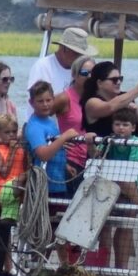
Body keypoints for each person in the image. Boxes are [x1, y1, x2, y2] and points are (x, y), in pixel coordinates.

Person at [24, 80, 96, 200]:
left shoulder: (50, 122)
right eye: (40, 101)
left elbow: (52, 146)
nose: (45, 104)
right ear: (31, 103)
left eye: (48, 100)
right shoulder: (34, 126)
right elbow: (43, 155)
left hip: (58, 181)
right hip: (44, 186)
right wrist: (64, 137)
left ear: (53, 99)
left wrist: (65, 165)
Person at [104, 106, 138, 267]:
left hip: (136, 179)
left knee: (125, 228)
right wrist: (92, 144)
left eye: (125, 125)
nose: (121, 128)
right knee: (105, 228)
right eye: (117, 124)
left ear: (133, 128)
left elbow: (132, 165)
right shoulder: (108, 140)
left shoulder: (136, 142)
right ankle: (102, 267)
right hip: (113, 179)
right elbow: (98, 156)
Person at [83, 61, 138, 138]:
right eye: (114, 80)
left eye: (120, 79)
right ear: (100, 83)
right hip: (102, 148)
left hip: (129, 148)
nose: (118, 82)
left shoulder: (126, 98)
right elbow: (110, 107)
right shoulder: (91, 103)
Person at [59, 55, 97, 196]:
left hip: (91, 160)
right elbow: (43, 117)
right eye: (84, 73)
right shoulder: (64, 98)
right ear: (74, 75)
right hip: (71, 160)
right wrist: (58, 140)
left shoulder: (96, 98)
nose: (89, 77)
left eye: (93, 73)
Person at [27, 26, 98, 98]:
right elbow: (39, 101)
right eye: (77, 53)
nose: (80, 58)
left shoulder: (83, 71)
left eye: (82, 54)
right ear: (64, 49)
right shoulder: (43, 66)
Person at [0, 113, 28, 224]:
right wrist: (12, 151)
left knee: (9, 221)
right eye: (7, 132)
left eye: (14, 131)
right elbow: (4, 173)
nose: (11, 135)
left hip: (18, 189)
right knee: (27, 175)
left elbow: (25, 167)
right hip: (4, 190)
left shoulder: (21, 149)